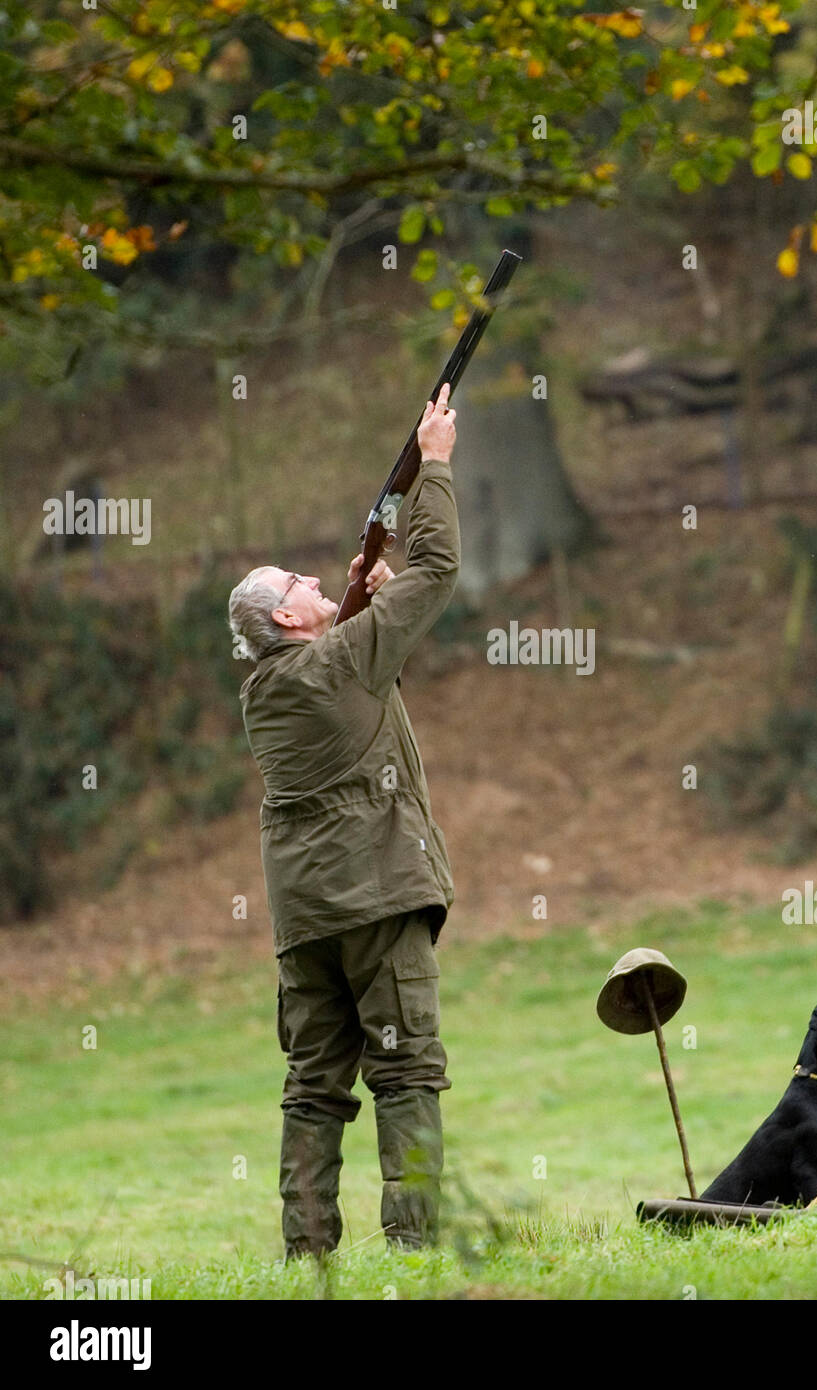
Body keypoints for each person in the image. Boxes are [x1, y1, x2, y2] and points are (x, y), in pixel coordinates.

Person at [227, 384, 460, 1257]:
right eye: (301, 584)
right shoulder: (336, 663)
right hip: (374, 896)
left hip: (304, 920)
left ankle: (307, 1254)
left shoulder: (269, 690)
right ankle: (413, 1251)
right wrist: (432, 467)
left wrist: (362, 600)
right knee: (406, 1073)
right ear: (287, 617)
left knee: (313, 1085)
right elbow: (438, 573)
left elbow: (354, 686)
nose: (318, 579)